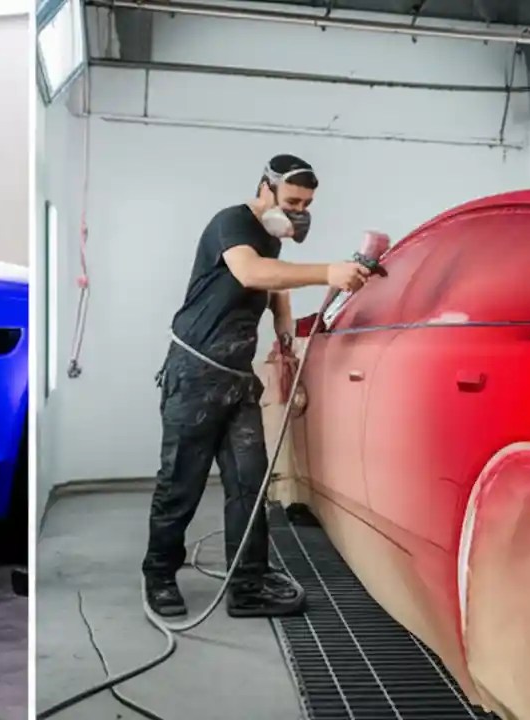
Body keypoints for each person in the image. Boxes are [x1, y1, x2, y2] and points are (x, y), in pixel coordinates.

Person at [143, 154, 370, 619]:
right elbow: (251, 273)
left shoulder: (271, 238)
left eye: (306, 204)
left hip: (237, 378)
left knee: (250, 482)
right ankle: (160, 576)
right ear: (265, 189)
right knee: (180, 483)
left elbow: (275, 288)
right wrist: (329, 271)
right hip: (195, 375)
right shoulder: (232, 223)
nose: (299, 212)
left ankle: (247, 585)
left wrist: (285, 333)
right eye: (292, 201)